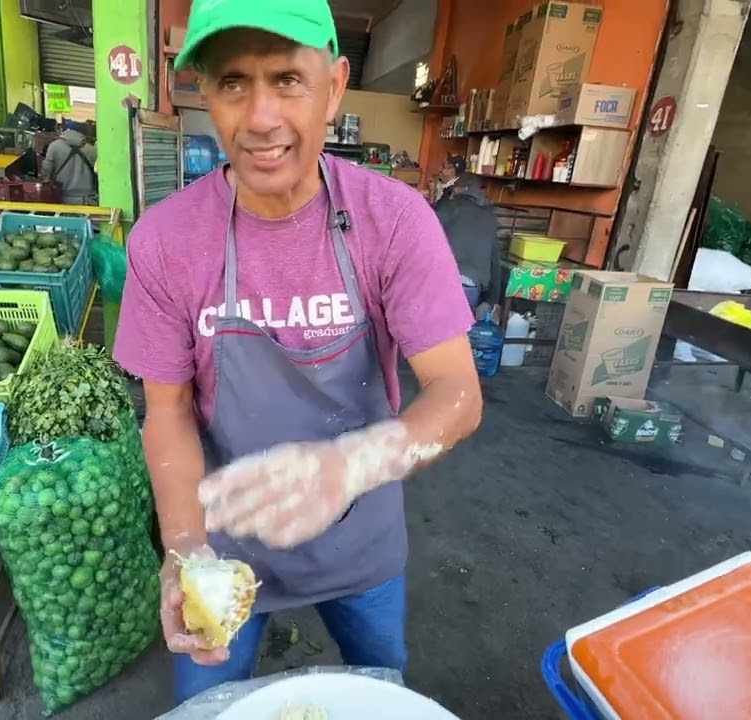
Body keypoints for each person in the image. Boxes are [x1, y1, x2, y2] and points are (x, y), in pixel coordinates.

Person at [112, 0, 483, 706]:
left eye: (287, 80)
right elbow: (166, 412)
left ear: (335, 85)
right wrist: (185, 548)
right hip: (224, 548)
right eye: (232, 84)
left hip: (362, 545)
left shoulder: (393, 221)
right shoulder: (165, 242)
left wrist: (349, 467)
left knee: (381, 688)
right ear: (205, 94)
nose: (259, 118)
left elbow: (458, 396)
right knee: (203, 702)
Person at [435, 172, 499, 308]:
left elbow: (429, 228)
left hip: (448, 283)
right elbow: (495, 260)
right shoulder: (490, 215)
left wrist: (446, 195)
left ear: (461, 188)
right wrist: (493, 300)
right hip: (474, 286)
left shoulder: (451, 207)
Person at [41, 120, 99, 206]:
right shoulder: (91, 150)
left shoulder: (54, 147)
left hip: (62, 200)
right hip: (87, 201)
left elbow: (46, 172)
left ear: (64, 131)